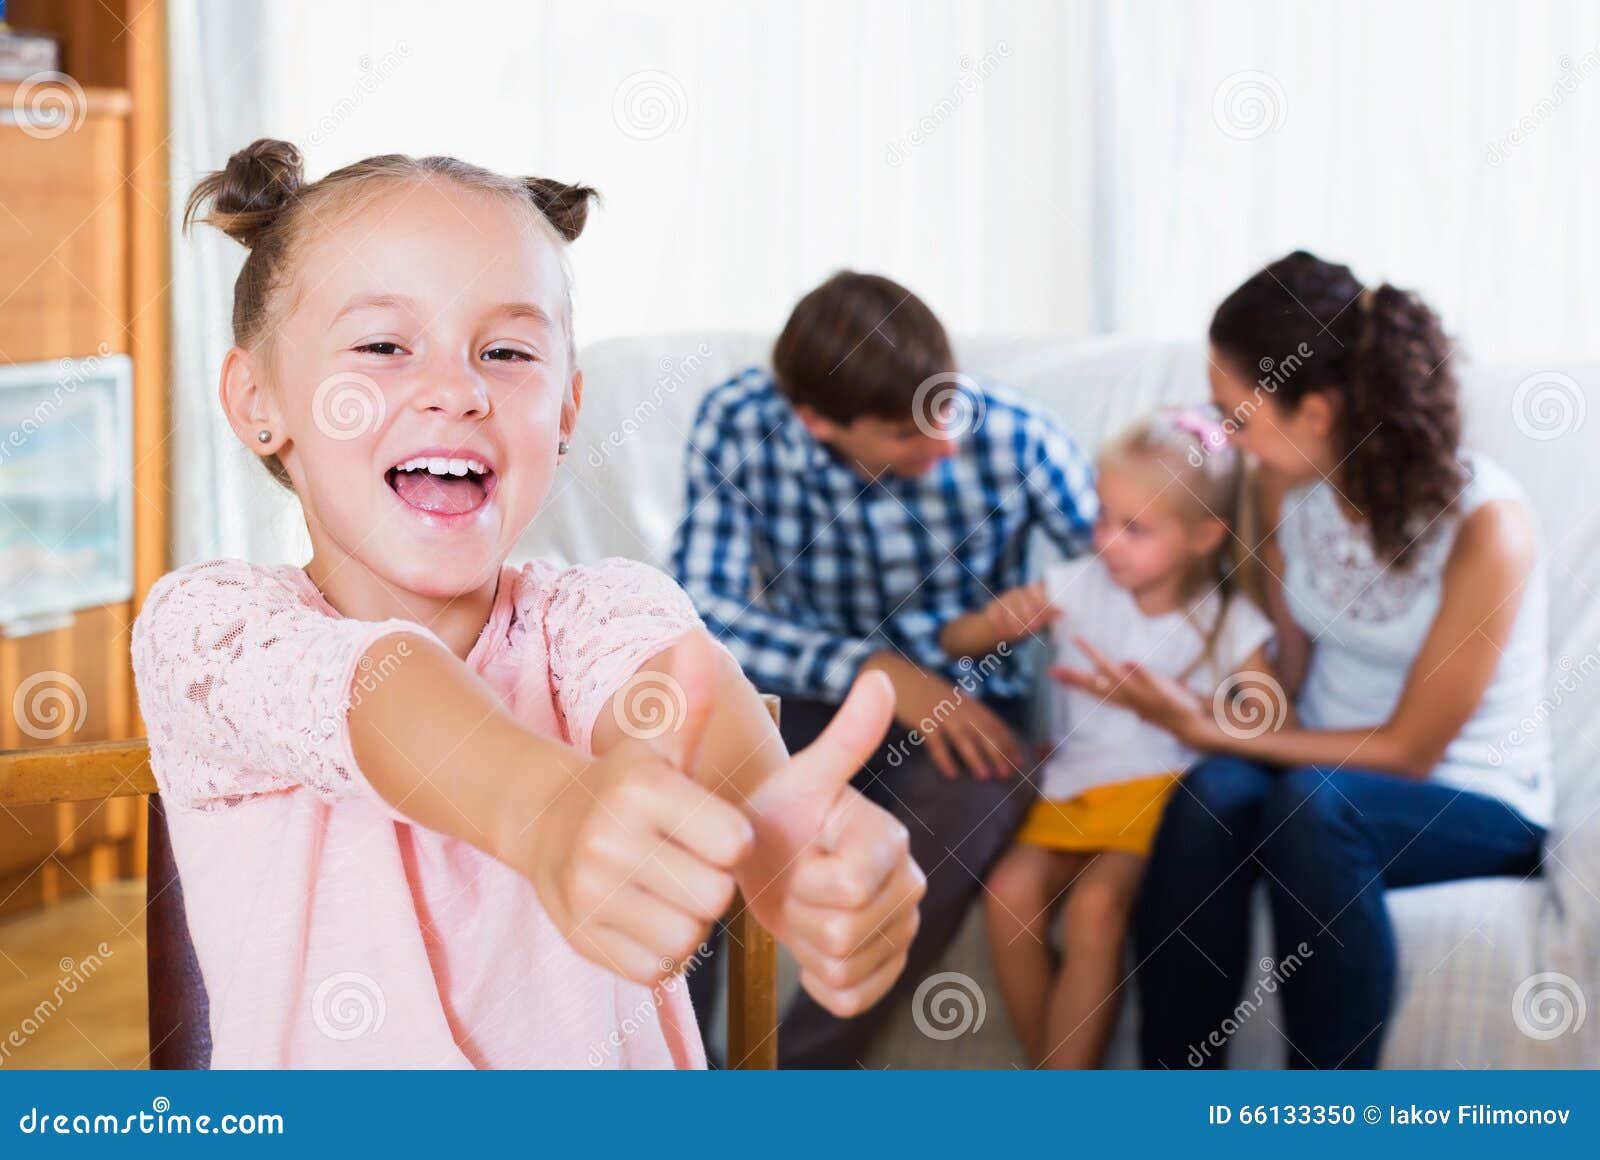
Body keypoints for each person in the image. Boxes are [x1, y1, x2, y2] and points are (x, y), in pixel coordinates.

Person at [131, 140, 923, 1068]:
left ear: (567, 411)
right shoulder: (210, 628)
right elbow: (377, 686)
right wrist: (550, 812)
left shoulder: (592, 612)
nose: (457, 392)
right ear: (258, 399)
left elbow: (676, 692)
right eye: (385, 346)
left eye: (506, 352)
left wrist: (771, 822)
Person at [1059, 251, 1552, 1069]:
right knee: (1211, 793)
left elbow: (1409, 751)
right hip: (1314, 777)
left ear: (1316, 410)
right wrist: (1204, 698)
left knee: (1310, 810)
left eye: (1238, 417)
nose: (1227, 439)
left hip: (1471, 797)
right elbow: (1287, 677)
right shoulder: (1291, 493)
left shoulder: (1485, 528)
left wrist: (1211, 729)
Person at [671, 271, 1098, 1066]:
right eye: (906, 435)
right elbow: (703, 611)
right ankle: (668, 1071)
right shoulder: (739, 424)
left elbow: (1123, 571)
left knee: (978, 786)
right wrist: (880, 672)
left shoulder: (1017, 438)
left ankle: (787, 1088)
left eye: (943, 406)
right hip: (808, 700)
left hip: (965, 720)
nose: (943, 443)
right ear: (817, 423)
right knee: (695, 770)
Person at [945, 408, 1274, 1067]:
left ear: (1205, 536)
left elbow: (1266, 724)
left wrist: (1190, 704)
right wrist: (998, 623)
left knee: (1097, 910)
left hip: (1158, 804)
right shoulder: (1078, 584)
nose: (1106, 541)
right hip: (1067, 795)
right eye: (1103, 518)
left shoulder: (1229, 619)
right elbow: (956, 639)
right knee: (1008, 894)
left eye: (1135, 529)